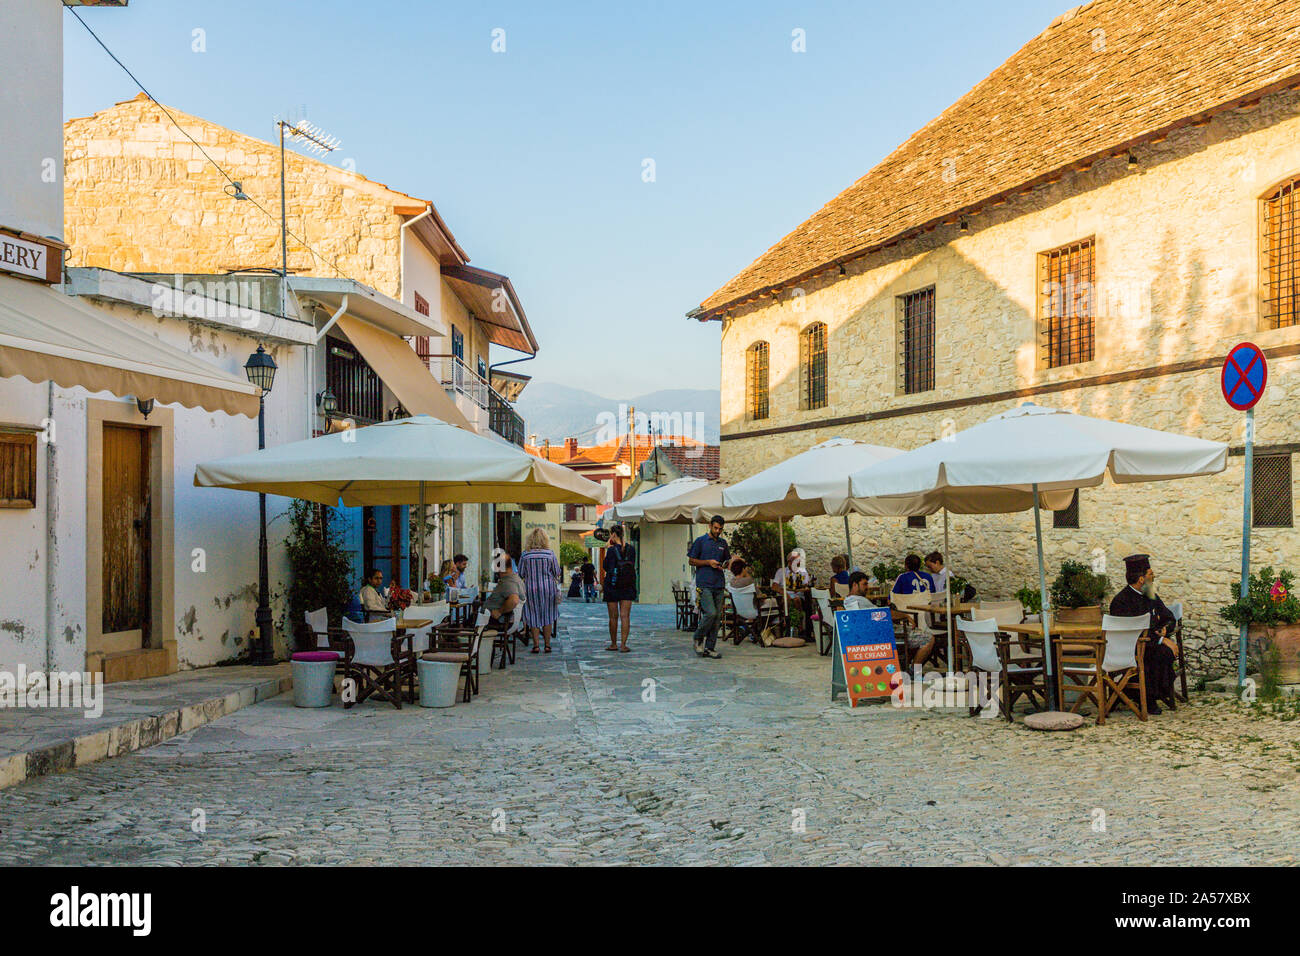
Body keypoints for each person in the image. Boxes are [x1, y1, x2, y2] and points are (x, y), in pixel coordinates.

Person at [1109, 553, 1179, 713]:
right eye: (1150, 573)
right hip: (1130, 648)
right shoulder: (1121, 601)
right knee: (1160, 653)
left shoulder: (1150, 594)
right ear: (1141, 579)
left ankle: (1143, 694)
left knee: (1164, 653)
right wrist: (1162, 640)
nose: (1153, 576)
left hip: (1149, 644)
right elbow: (1131, 632)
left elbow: (1169, 617)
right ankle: (1144, 697)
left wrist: (1165, 630)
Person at [687, 515, 730, 659]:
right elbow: (691, 561)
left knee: (717, 618)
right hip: (704, 583)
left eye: (720, 529)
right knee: (710, 613)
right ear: (710, 526)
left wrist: (726, 564)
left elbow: (727, 561)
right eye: (716, 528)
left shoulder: (723, 543)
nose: (718, 531)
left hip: (719, 583)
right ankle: (698, 637)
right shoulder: (700, 541)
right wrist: (708, 562)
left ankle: (709, 648)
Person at [519, 528, 562, 654]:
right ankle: (547, 645)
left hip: (530, 588)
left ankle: (536, 645)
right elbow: (557, 572)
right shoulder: (550, 554)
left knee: (533, 616)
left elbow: (521, 573)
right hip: (548, 588)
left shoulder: (525, 555)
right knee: (547, 616)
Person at [602, 524, 637, 652]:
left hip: (612, 586)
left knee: (613, 616)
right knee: (625, 616)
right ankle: (623, 644)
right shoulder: (631, 549)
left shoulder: (611, 550)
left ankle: (613, 644)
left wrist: (608, 548)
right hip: (628, 586)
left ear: (613, 535)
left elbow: (605, 567)